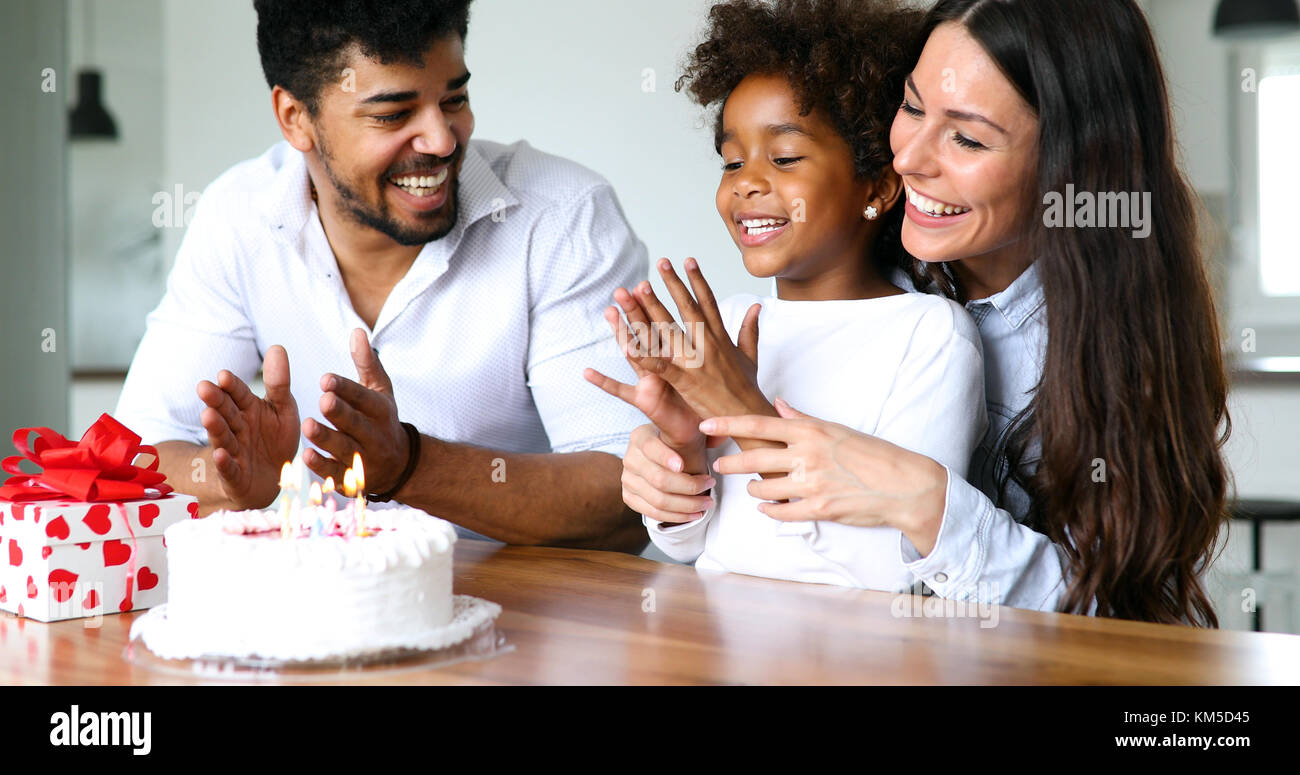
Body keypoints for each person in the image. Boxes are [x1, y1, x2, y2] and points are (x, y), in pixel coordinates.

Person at [625, 0, 1232, 624]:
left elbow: (1117, 615)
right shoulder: (856, 292)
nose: (909, 158)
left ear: (1069, 168)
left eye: (967, 137)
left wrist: (925, 501)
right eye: (911, 107)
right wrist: (674, 470)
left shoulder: (1112, 349)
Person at [114, 0, 651, 552]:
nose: (441, 141)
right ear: (296, 118)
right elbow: (136, 450)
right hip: (322, 618)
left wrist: (411, 465)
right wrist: (227, 480)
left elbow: (629, 499)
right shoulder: (238, 216)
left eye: (454, 100)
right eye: (393, 114)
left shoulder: (563, 216)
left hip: (538, 623)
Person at [585, 0, 986, 590]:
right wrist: (681, 454)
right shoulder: (731, 329)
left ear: (875, 186)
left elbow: (895, 574)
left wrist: (744, 408)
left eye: (786, 157)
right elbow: (686, 544)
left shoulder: (928, 336)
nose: (747, 181)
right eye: (731, 161)